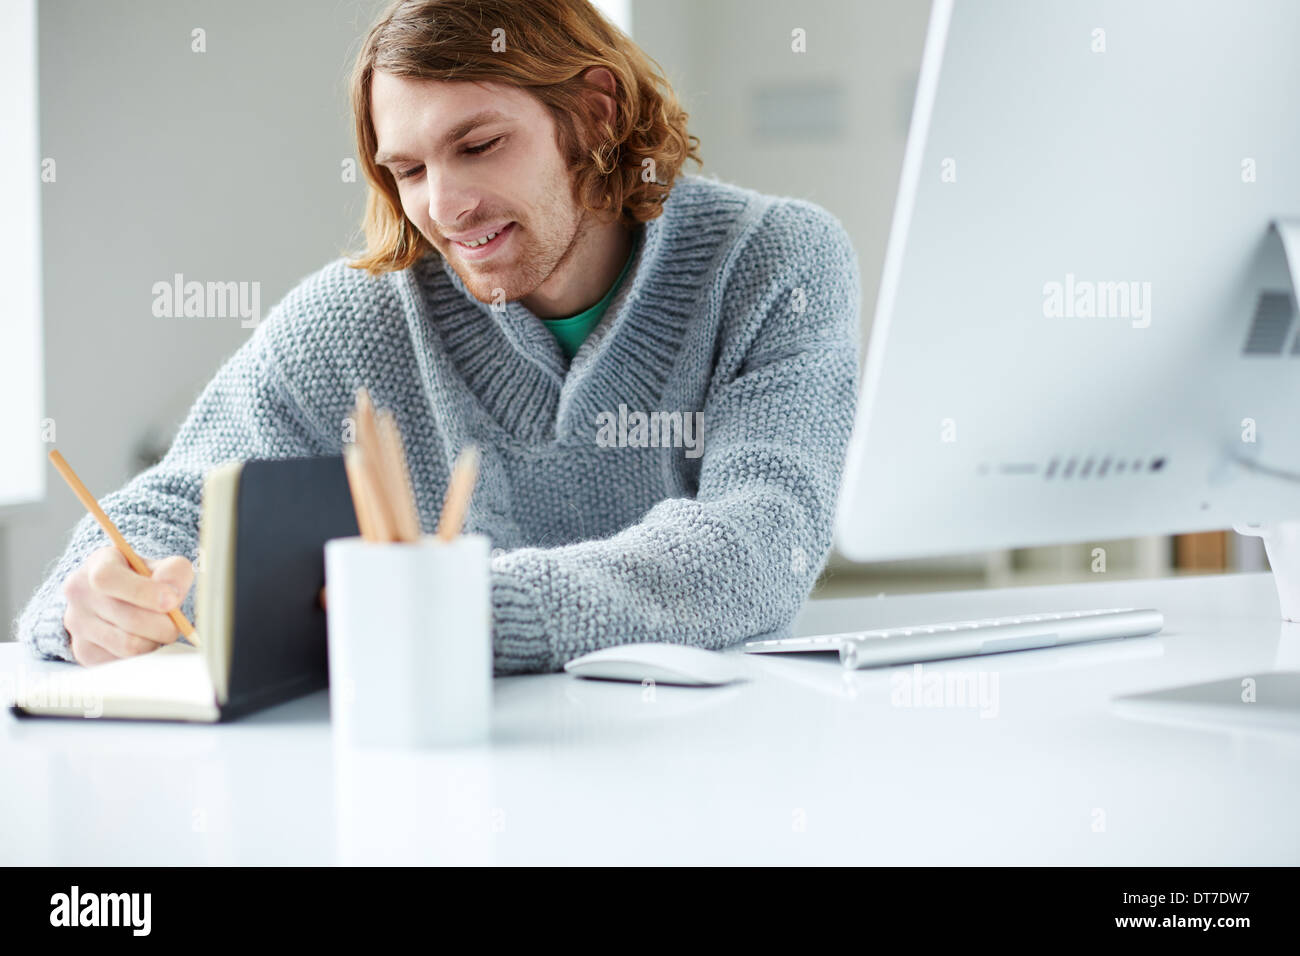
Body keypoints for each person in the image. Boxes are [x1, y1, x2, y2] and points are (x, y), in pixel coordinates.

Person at [14, 0, 861, 674]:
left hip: (710, 764)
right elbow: (166, 506)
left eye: (480, 145)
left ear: (597, 113)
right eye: (409, 170)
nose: (445, 208)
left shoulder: (775, 263)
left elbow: (763, 540)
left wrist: (461, 610)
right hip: (447, 777)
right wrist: (87, 601)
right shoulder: (361, 316)